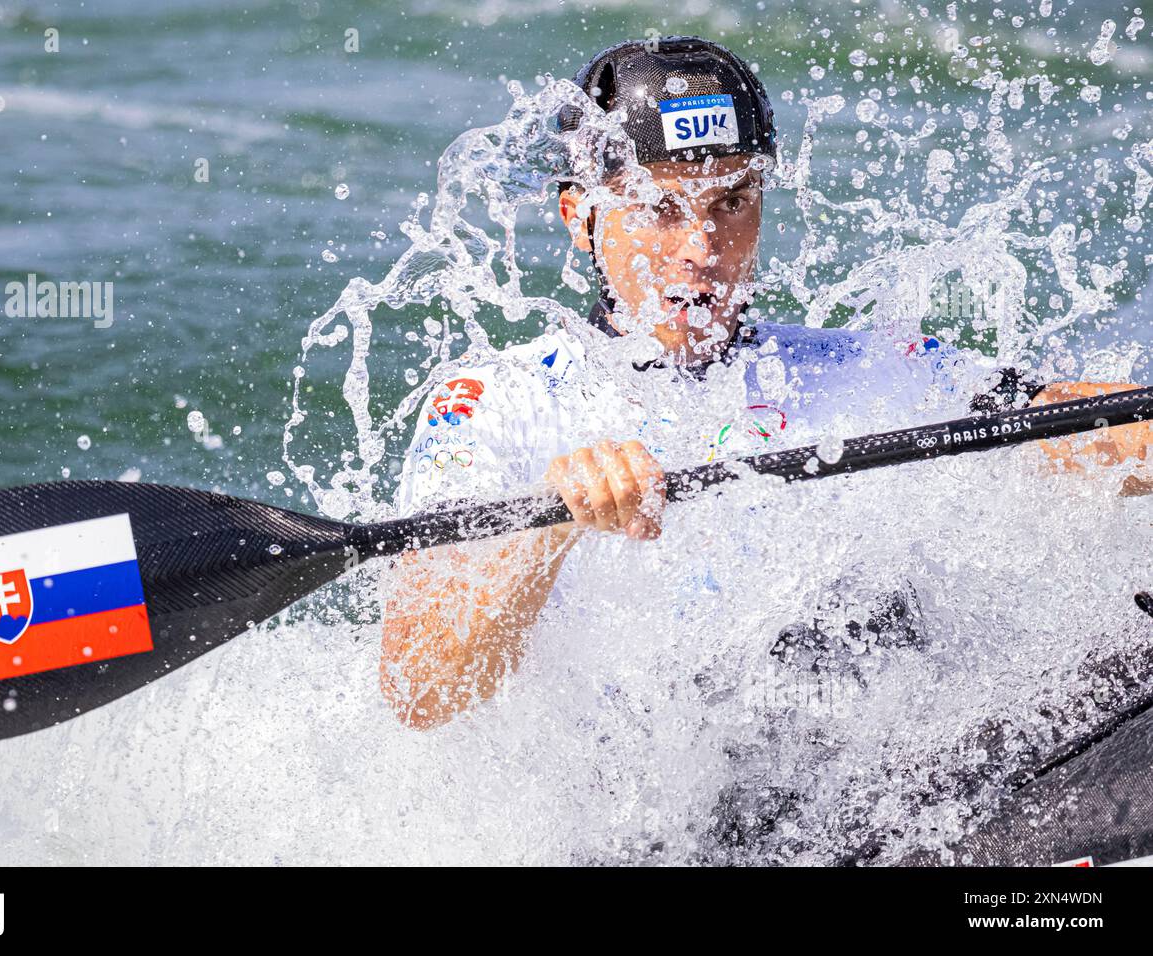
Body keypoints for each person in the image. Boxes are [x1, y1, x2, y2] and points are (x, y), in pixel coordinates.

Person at [380, 36, 1153, 731]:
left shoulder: (867, 369)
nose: (701, 247)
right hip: (638, 807)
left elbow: (1070, 428)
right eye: (659, 208)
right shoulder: (490, 407)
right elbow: (418, 688)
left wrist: (1129, 444)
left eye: (733, 202)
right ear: (580, 215)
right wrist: (550, 523)